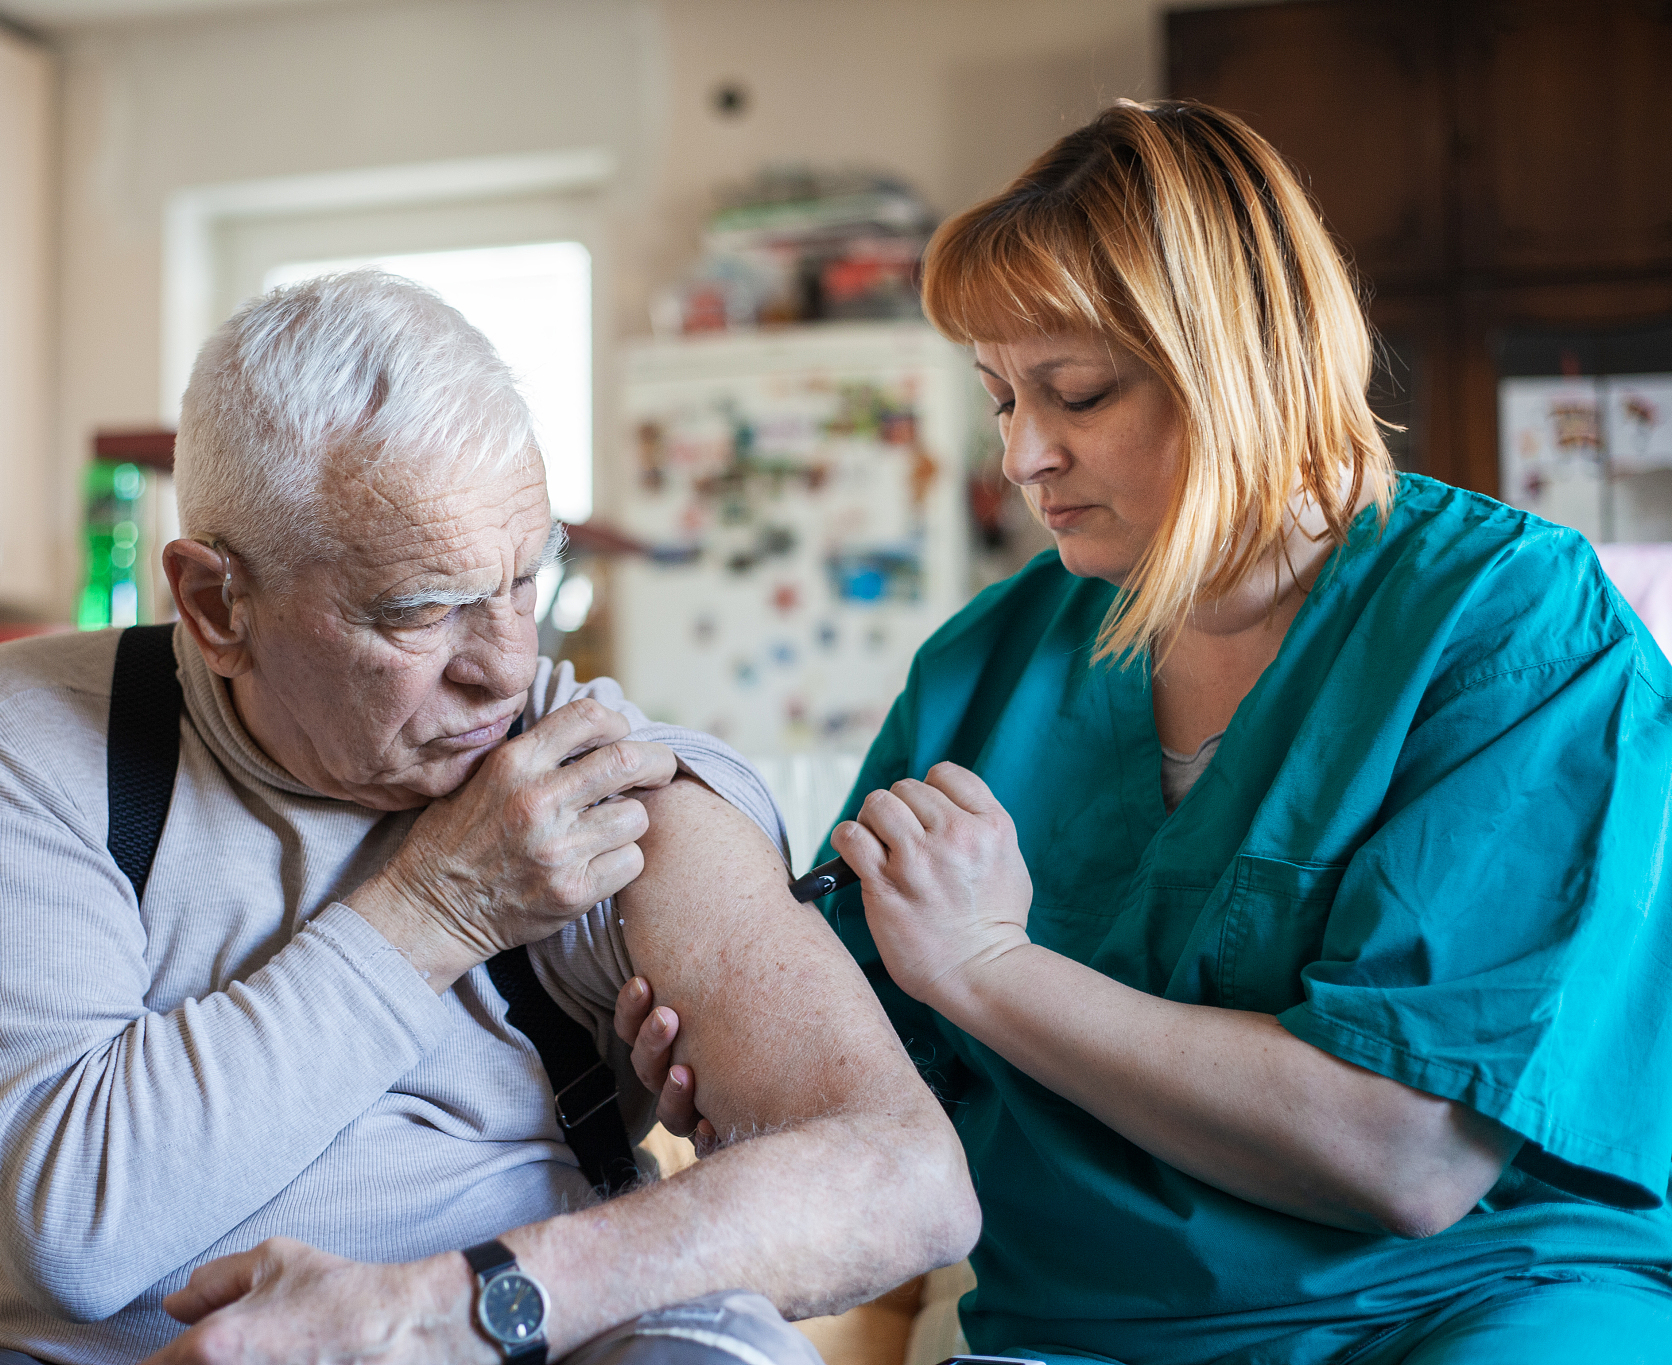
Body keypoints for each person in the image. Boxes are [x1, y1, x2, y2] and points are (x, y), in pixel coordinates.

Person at [0, 273, 975, 1365]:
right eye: (422, 611)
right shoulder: (36, 732)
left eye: (528, 582)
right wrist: (435, 907)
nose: (504, 668)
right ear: (215, 604)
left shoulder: (607, 781)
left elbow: (906, 1177)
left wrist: (451, 1308)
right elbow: (79, 1233)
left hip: (503, 1355)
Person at [630, 100, 1672, 1363]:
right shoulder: (986, 664)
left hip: (1463, 1302)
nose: (1021, 456)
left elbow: (1407, 1157)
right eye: (1000, 398)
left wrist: (988, 966)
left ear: (1248, 366)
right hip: (1084, 1329)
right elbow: (863, 1070)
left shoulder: (1509, 629)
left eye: (1073, 393)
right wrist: (742, 1075)